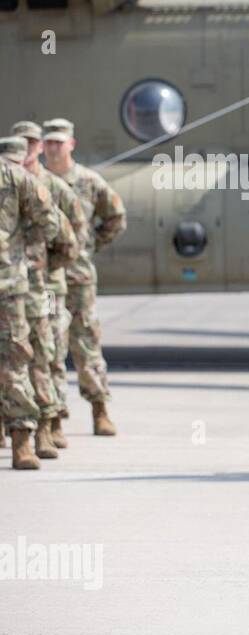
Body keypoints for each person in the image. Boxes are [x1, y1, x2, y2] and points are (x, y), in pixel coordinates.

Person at [40, 118, 126, 437]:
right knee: (49, 345)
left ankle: (99, 409)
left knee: (86, 341)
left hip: (78, 279)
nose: (53, 148)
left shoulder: (89, 181)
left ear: (71, 145)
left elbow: (116, 216)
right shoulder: (36, 182)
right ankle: (55, 418)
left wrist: (89, 248)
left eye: (59, 143)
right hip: (46, 279)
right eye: (48, 142)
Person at [12, 122, 79, 458]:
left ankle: (49, 424)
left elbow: (70, 234)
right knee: (13, 356)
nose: (26, 149)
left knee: (47, 350)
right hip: (11, 289)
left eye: (31, 143)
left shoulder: (48, 187)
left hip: (44, 289)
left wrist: (51, 267)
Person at [1, 135, 64, 470]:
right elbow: (48, 224)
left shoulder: (15, 177)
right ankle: (23, 442)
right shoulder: (21, 177)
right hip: (11, 281)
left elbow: (52, 223)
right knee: (16, 359)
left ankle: (24, 440)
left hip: (10, 285)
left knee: (16, 358)